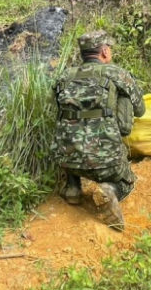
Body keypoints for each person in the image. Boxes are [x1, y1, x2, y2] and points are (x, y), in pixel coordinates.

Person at [53, 30, 145, 231]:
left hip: (67, 160)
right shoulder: (115, 73)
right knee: (128, 181)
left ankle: (72, 188)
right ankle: (110, 190)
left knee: (71, 121)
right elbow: (140, 109)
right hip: (105, 162)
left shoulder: (64, 76)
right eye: (109, 47)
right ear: (104, 51)